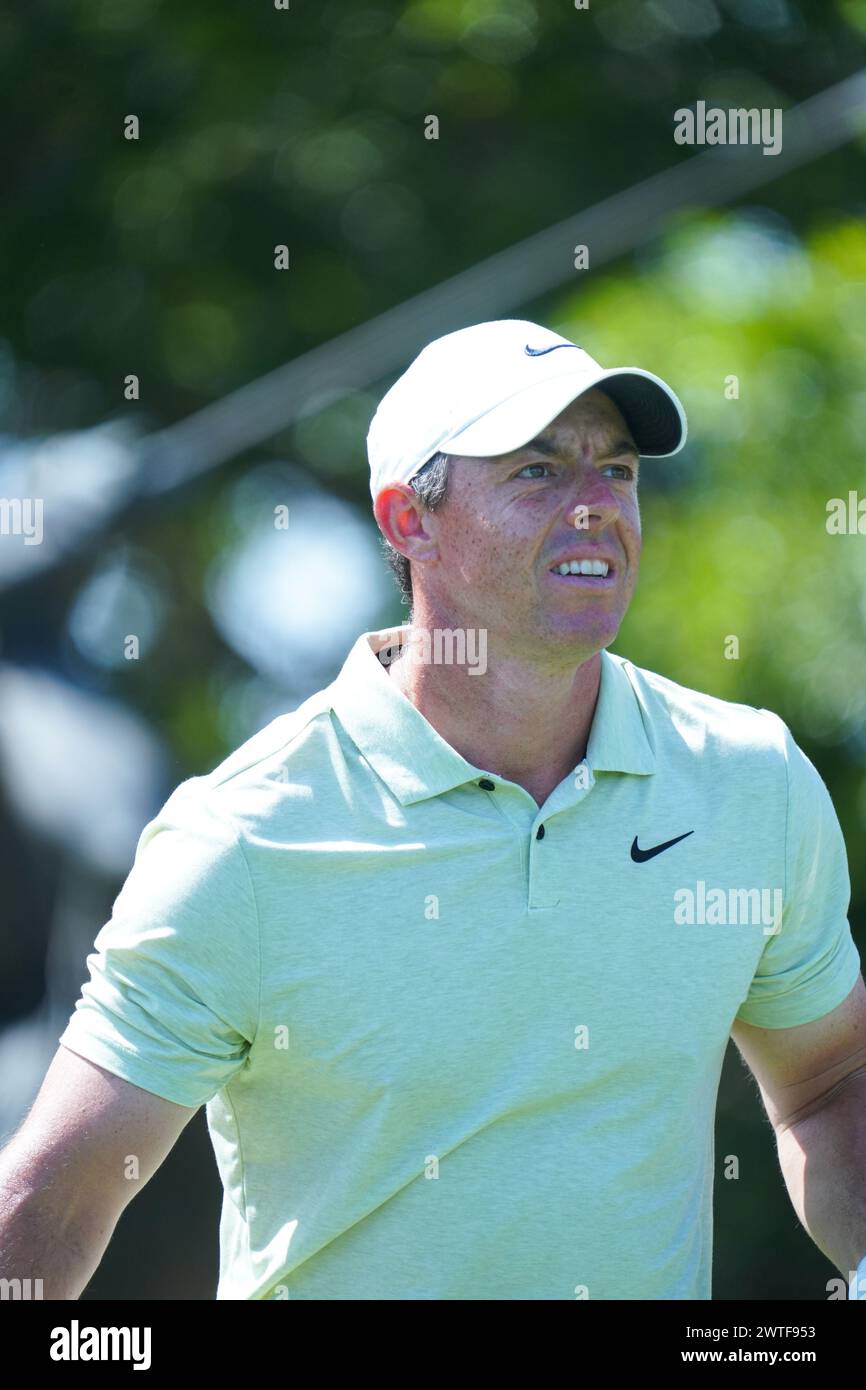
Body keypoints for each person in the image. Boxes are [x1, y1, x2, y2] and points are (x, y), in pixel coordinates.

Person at [2, 318, 865, 1301]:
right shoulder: (243, 837)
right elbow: (56, 1198)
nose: (594, 508)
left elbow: (828, 1078)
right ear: (409, 520)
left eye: (614, 471)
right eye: (537, 473)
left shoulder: (747, 781)